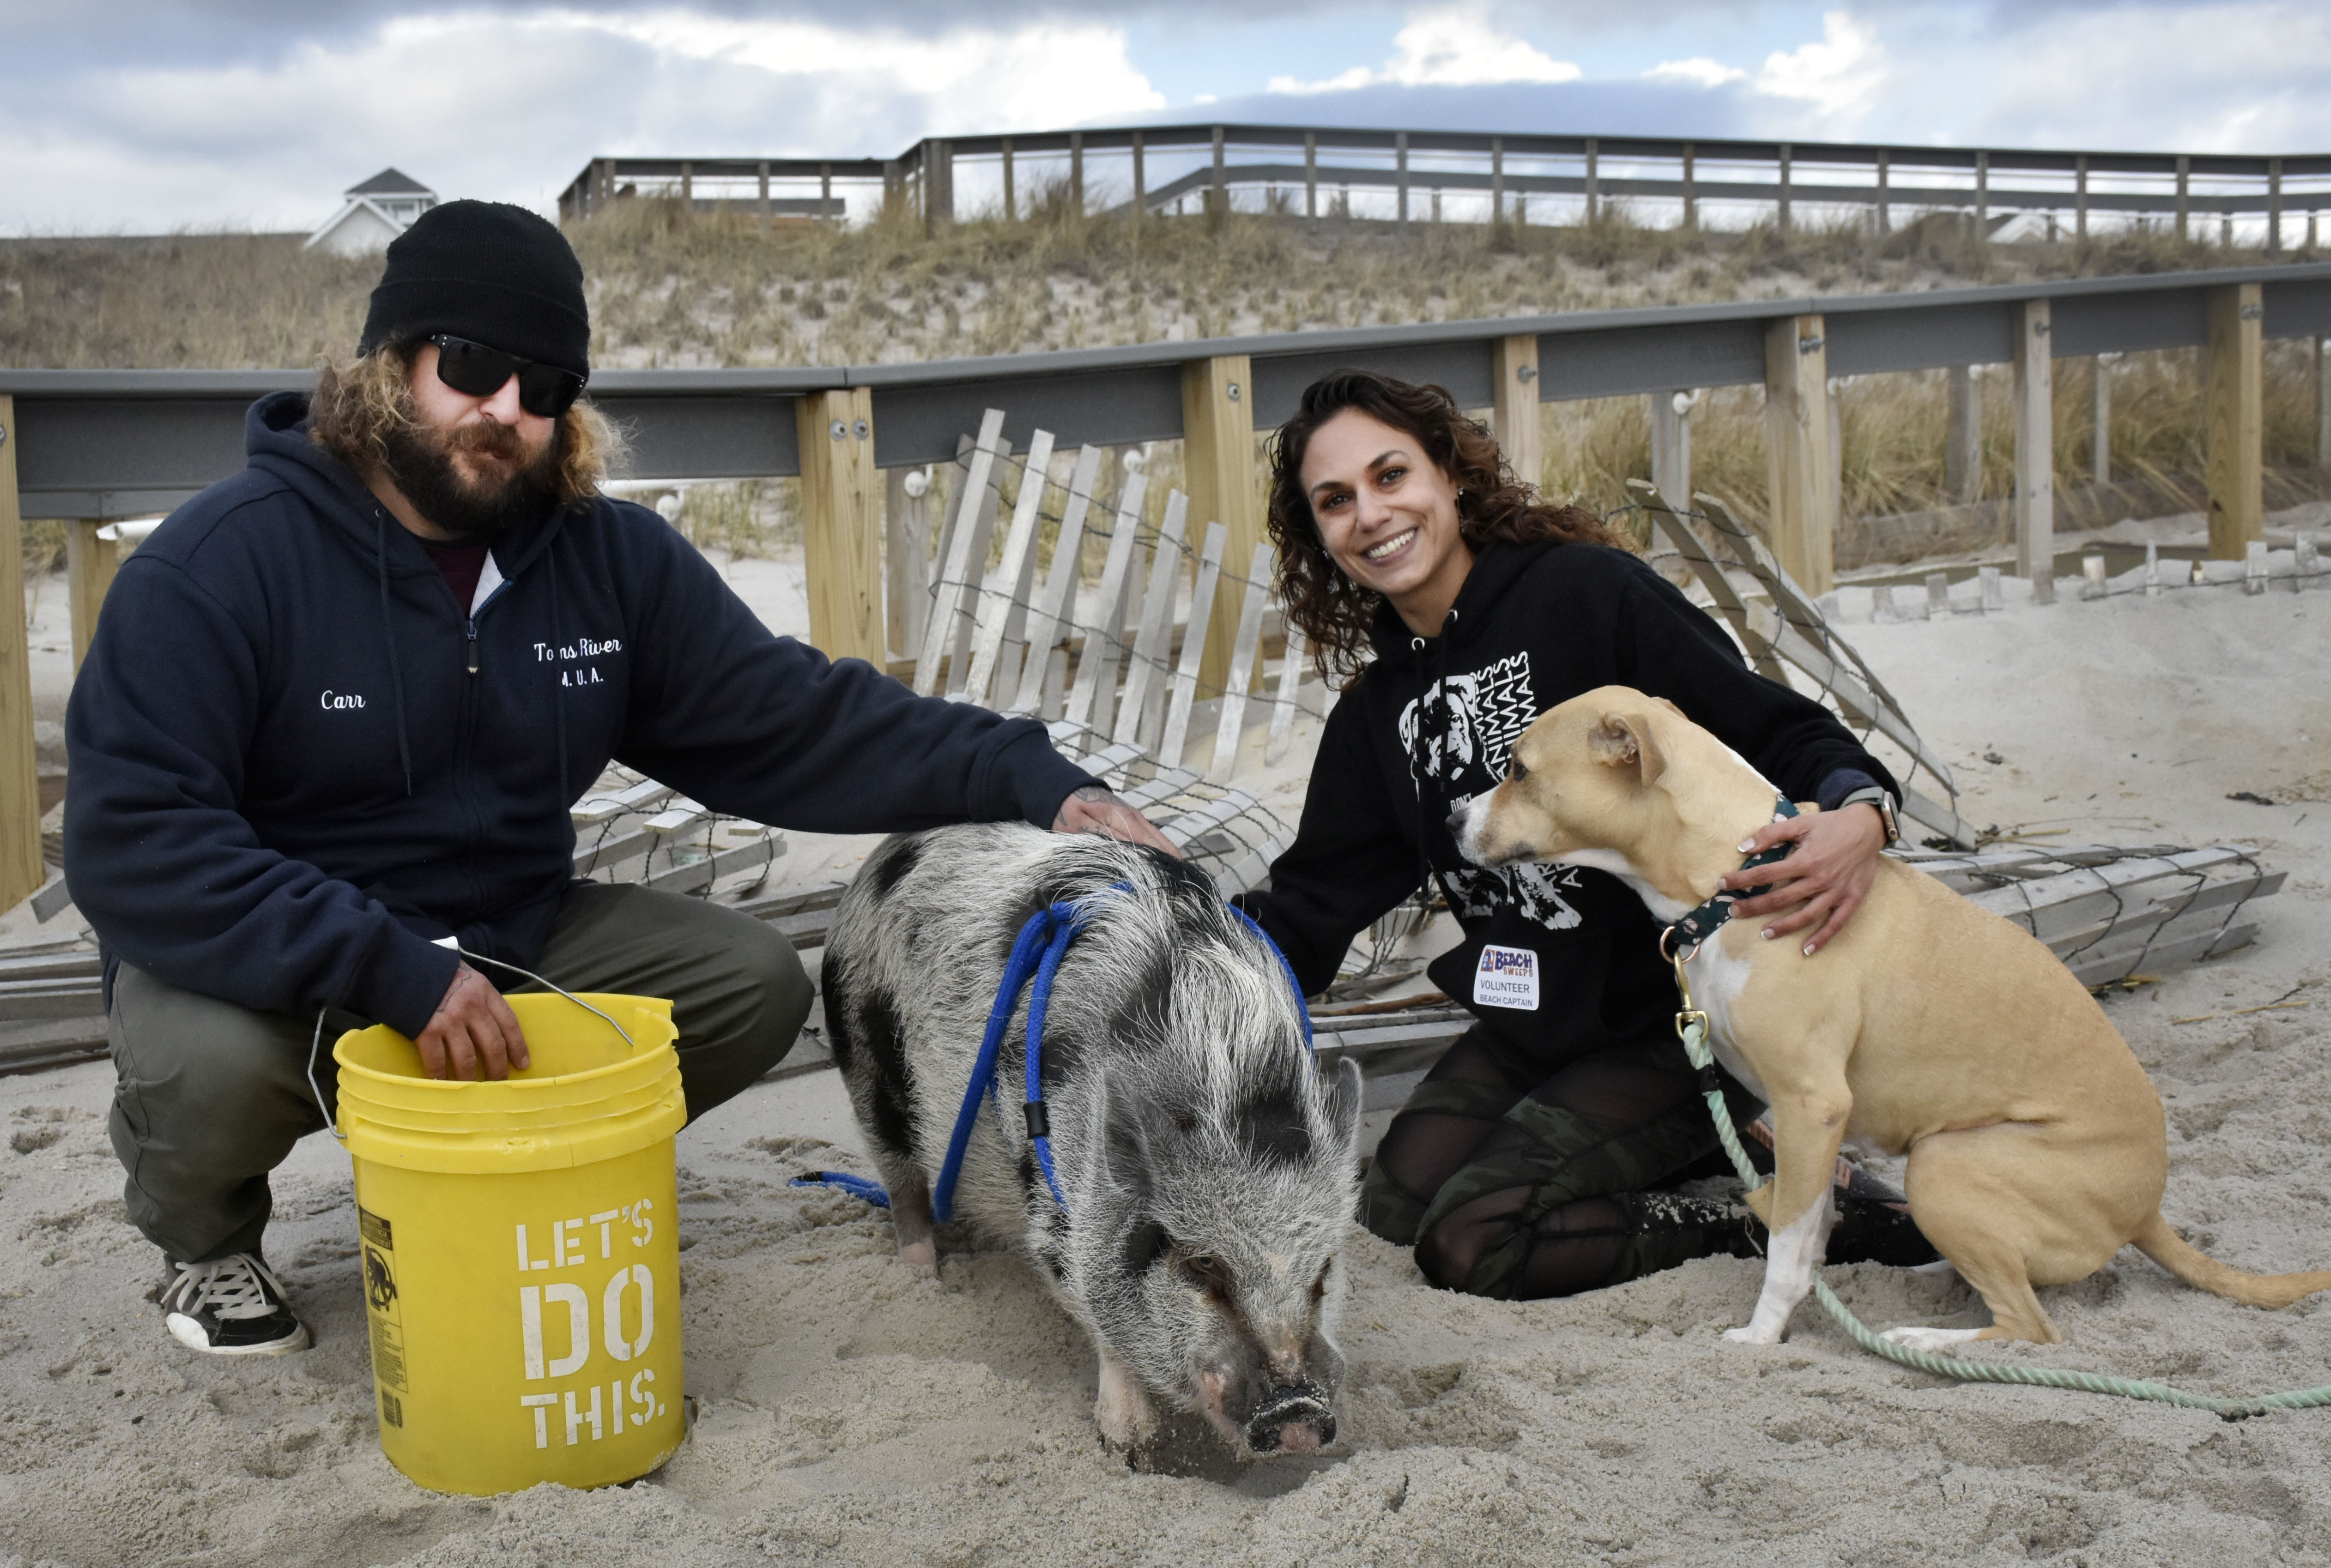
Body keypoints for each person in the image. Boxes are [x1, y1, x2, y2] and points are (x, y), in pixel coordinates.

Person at [65, 200, 1169, 1357]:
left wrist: (1025, 775)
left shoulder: (606, 558)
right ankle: (206, 1244)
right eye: (472, 364)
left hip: (506, 935)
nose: (507, 408)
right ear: (389, 363)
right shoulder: (217, 564)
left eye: (545, 386)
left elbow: (795, 719)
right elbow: (137, 836)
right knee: (208, 1070)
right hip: (286, 965)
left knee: (748, 983)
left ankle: (506, 1164)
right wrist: (383, 967)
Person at [1234, 370, 1932, 1303]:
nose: (1370, 514)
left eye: (1390, 475)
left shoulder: (1585, 595)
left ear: (1448, 473)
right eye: (1335, 500)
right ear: (1319, 534)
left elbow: (1774, 729)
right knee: (1395, 1205)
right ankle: (1698, 1154)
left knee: (1472, 1243)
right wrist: (1174, 954)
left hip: (1678, 1020)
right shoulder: (1375, 716)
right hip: (1533, 1018)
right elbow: (1310, 906)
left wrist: (1860, 809)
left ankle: (1781, 1217)